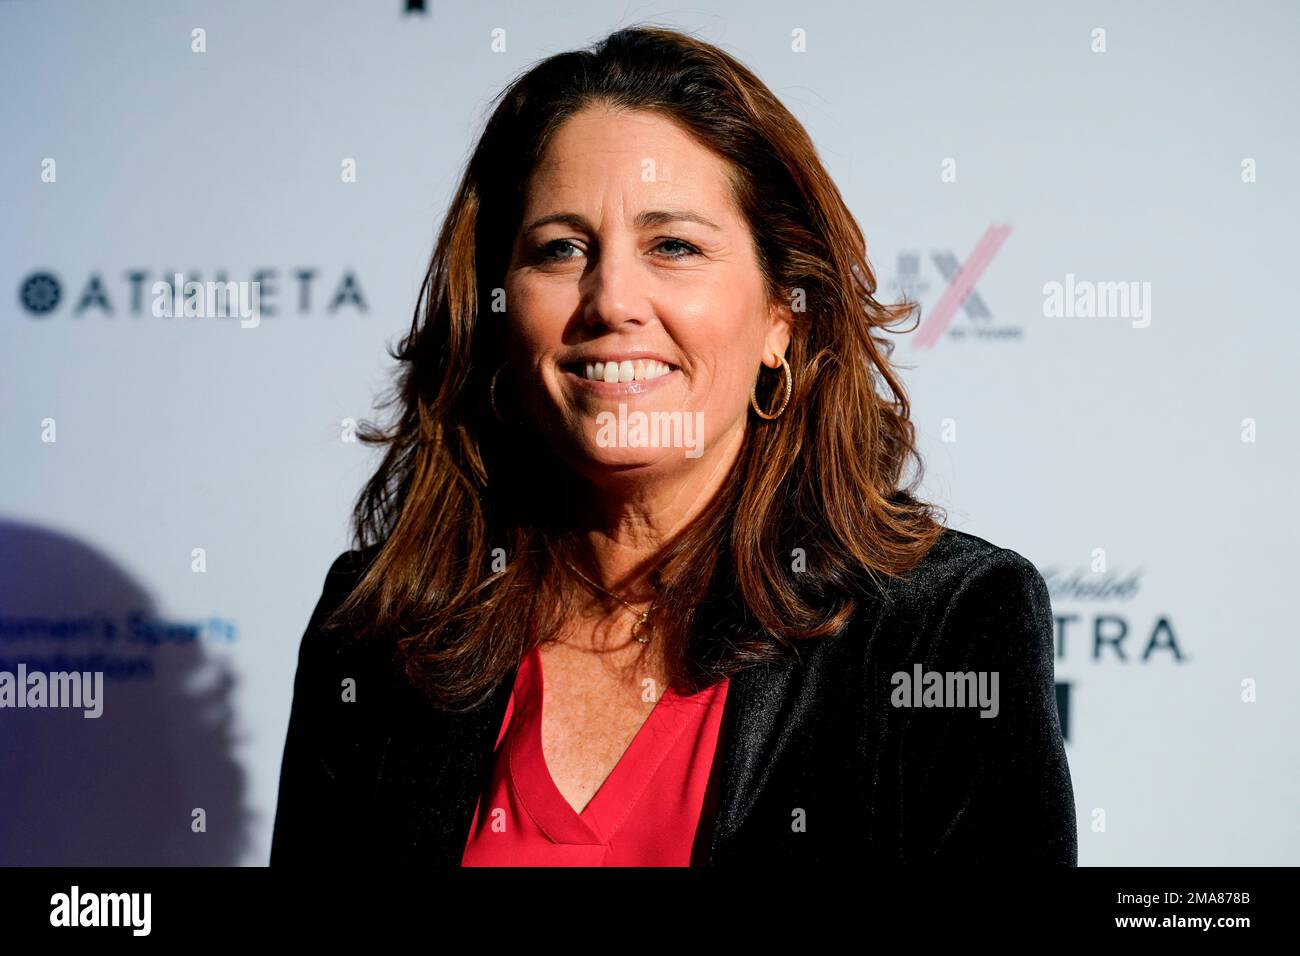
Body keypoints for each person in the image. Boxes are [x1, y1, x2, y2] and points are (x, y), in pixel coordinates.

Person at [269, 25, 1076, 867]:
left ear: (782, 315)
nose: (611, 299)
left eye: (674, 246)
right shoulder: (380, 629)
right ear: (498, 309)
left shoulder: (942, 627)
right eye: (561, 249)